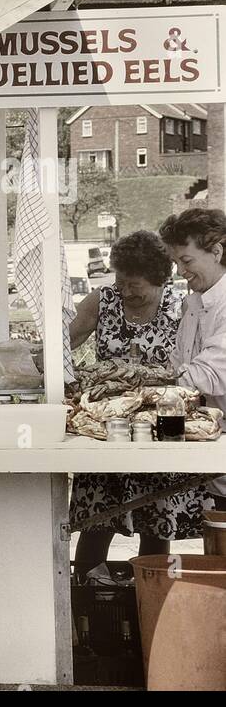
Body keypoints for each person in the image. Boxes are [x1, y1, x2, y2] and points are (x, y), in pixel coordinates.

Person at [68, 231, 214, 577]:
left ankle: (147, 592)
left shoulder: (180, 307)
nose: (126, 291)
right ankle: (90, 596)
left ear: (158, 279)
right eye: (121, 282)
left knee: (156, 517)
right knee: (97, 518)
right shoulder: (101, 301)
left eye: (135, 285)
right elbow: (65, 344)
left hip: (159, 427)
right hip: (109, 429)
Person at [160, 207, 226, 510]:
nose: (181, 271)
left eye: (186, 261)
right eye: (176, 263)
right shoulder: (194, 306)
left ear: (216, 251)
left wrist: (141, 382)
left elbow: (210, 376)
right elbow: (177, 364)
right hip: (215, 466)